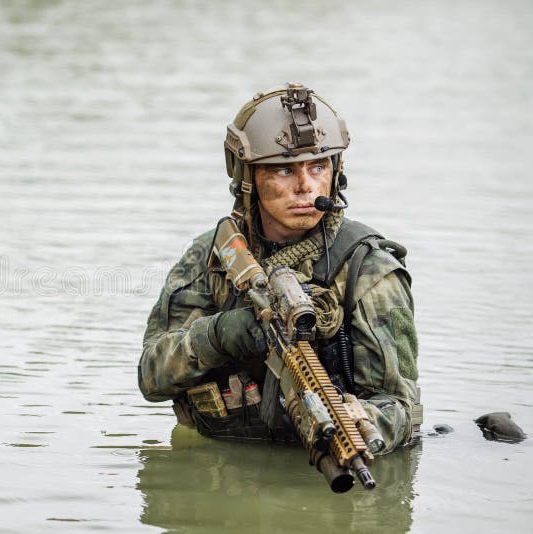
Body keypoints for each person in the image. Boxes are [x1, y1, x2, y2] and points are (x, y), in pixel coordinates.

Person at [138, 83, 422, 453]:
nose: (305, 186)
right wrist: (216, 336)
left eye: (318, 167)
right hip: (223, 464)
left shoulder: (369, 269)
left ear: (335, 172)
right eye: (284, 170)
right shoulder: (212, 256)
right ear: (248, 178)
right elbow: (151, 378)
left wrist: (352, 421)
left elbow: (400, 408)